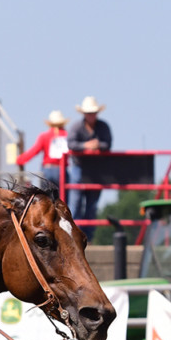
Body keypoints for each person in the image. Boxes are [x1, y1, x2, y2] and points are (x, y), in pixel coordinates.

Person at [66, 95, 113, 237]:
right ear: (84, 114)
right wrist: (87, 146)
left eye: (92, 113)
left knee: (92, 206)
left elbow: (108, 144)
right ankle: (75, 234)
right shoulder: (76, 127)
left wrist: (98, 145)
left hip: (95, 171)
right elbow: (71, 144)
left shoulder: (103, 126)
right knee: (75, 203)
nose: (91, 115)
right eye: (88, 113)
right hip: (79, 168)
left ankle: (88, 235)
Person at [15, 110, 69, 190]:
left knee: (46, 198)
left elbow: (34, 150)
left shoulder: (44, 136)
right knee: (63, 198)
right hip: (61, 170)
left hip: (47, 170)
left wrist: (20, 159)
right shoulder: (67, 136)